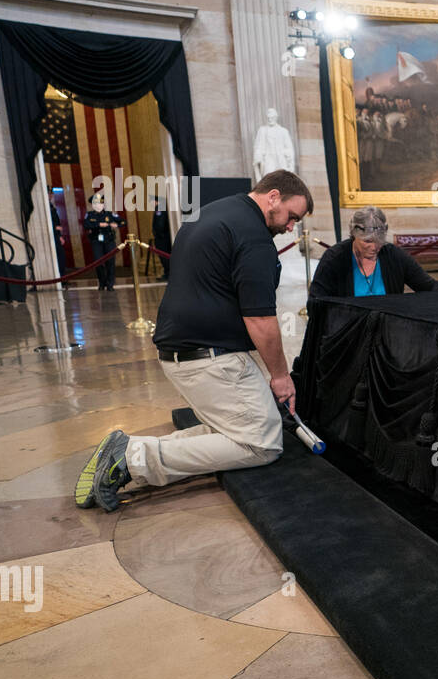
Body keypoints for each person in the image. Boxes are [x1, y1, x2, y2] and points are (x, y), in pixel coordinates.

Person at [74, 170, 313, 513]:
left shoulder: (212, 211)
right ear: (273, 196)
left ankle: (129, 449)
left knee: (236, 429)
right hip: (210, 359)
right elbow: (260, 319)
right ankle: (130, 457)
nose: (292, 227)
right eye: (293, 217)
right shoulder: (254, 237)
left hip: (179, 353)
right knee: (262, 444)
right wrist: (280, 376)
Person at [309, 206, 438, 298]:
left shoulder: (394, 256)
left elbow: (431, 288)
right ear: (353, 234)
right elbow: (316, 302)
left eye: (379, 241)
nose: (374, 247)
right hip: (348, 334)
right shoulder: (335, 258)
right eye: (367, 241)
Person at [82, 192, 120, 291]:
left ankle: (110, 284)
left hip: (109, 241)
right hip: (96, 242)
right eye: (96, 204)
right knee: (98, 262)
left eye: (100, 203)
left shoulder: (109, 214)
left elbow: (122, 221)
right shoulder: (89, 215)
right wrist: (98, 225)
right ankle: (102, 282)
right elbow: (86, 225)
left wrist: (116, 225)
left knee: (110, 262)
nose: (98, 205)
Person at [150, 197, 172, 281]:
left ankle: (168, 274)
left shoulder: (159, 208)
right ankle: (168, 273)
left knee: (164, 256)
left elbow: (160, 225)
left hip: (162, 238)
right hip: (165, 237)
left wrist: (158, 235)